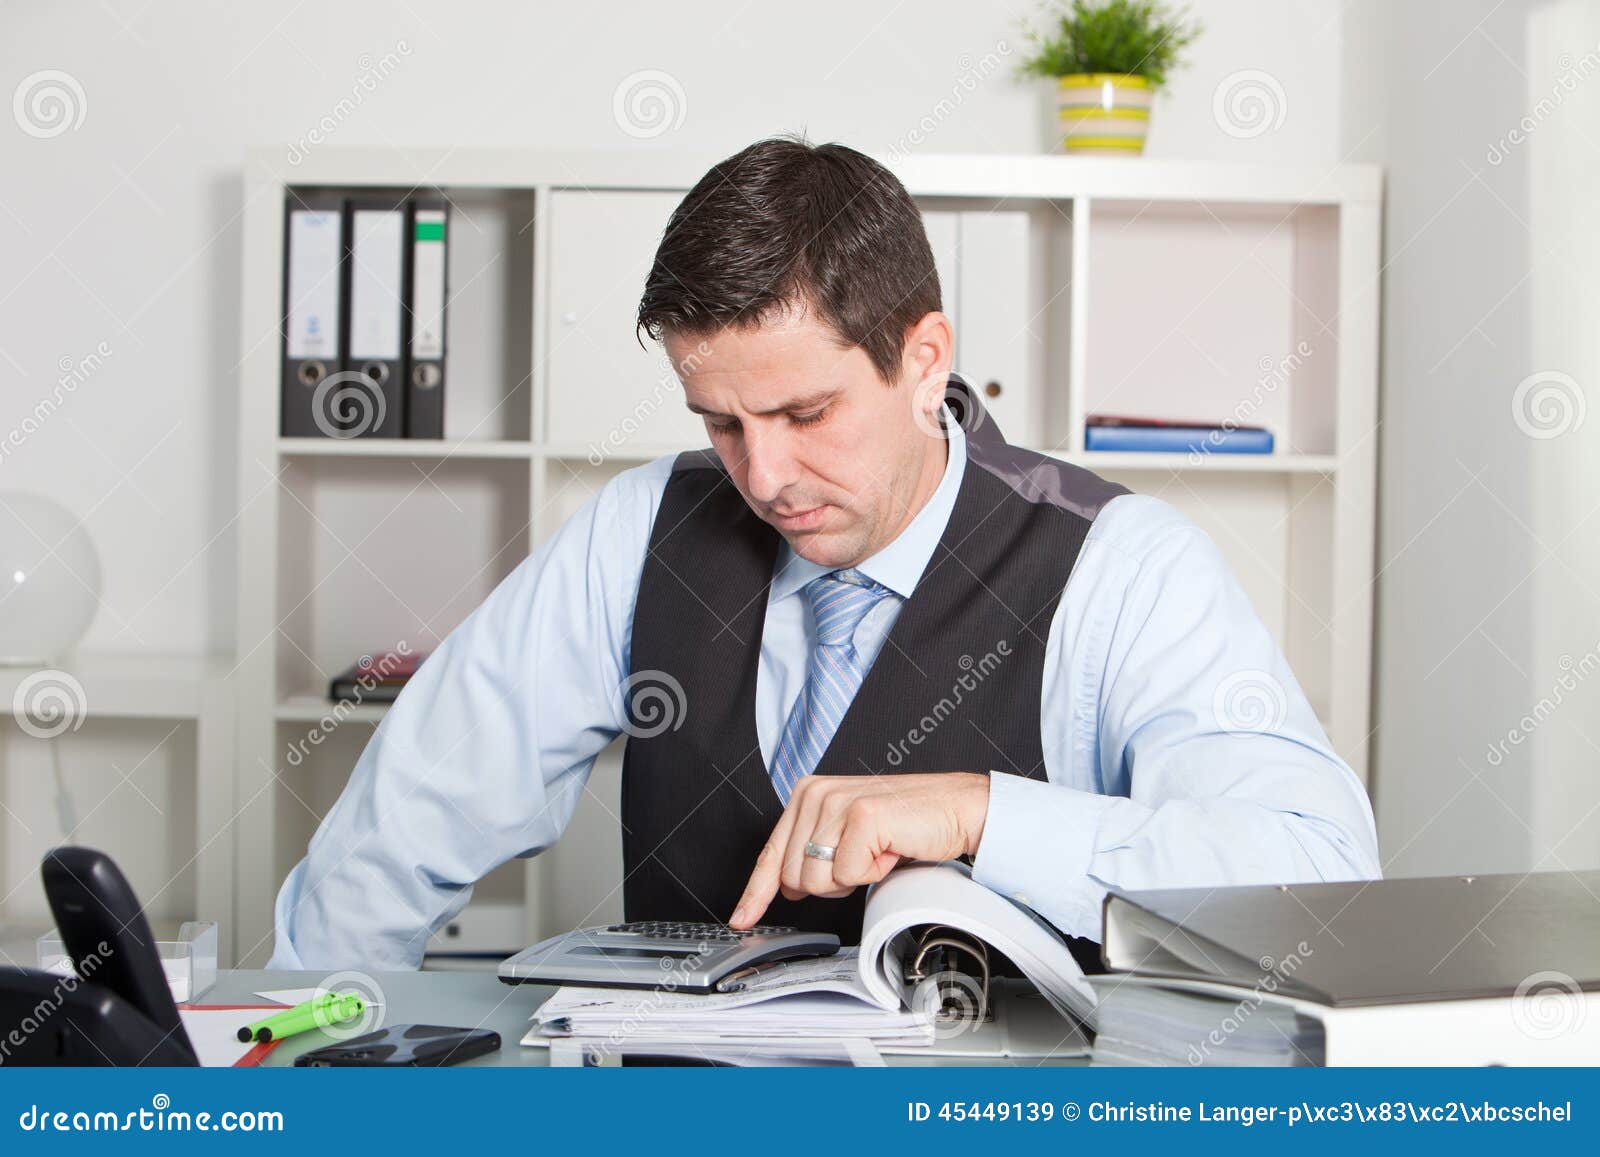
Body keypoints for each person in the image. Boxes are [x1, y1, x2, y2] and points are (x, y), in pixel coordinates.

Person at [269, 137, 1379, 970]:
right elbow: (402, 823)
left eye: (806, 413)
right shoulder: (639, 527)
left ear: (923, 355)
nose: (762, 477)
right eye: (720, 421)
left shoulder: (1121, 565)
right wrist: (312, 1059)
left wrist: (978, 812)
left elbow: (1320, 879)